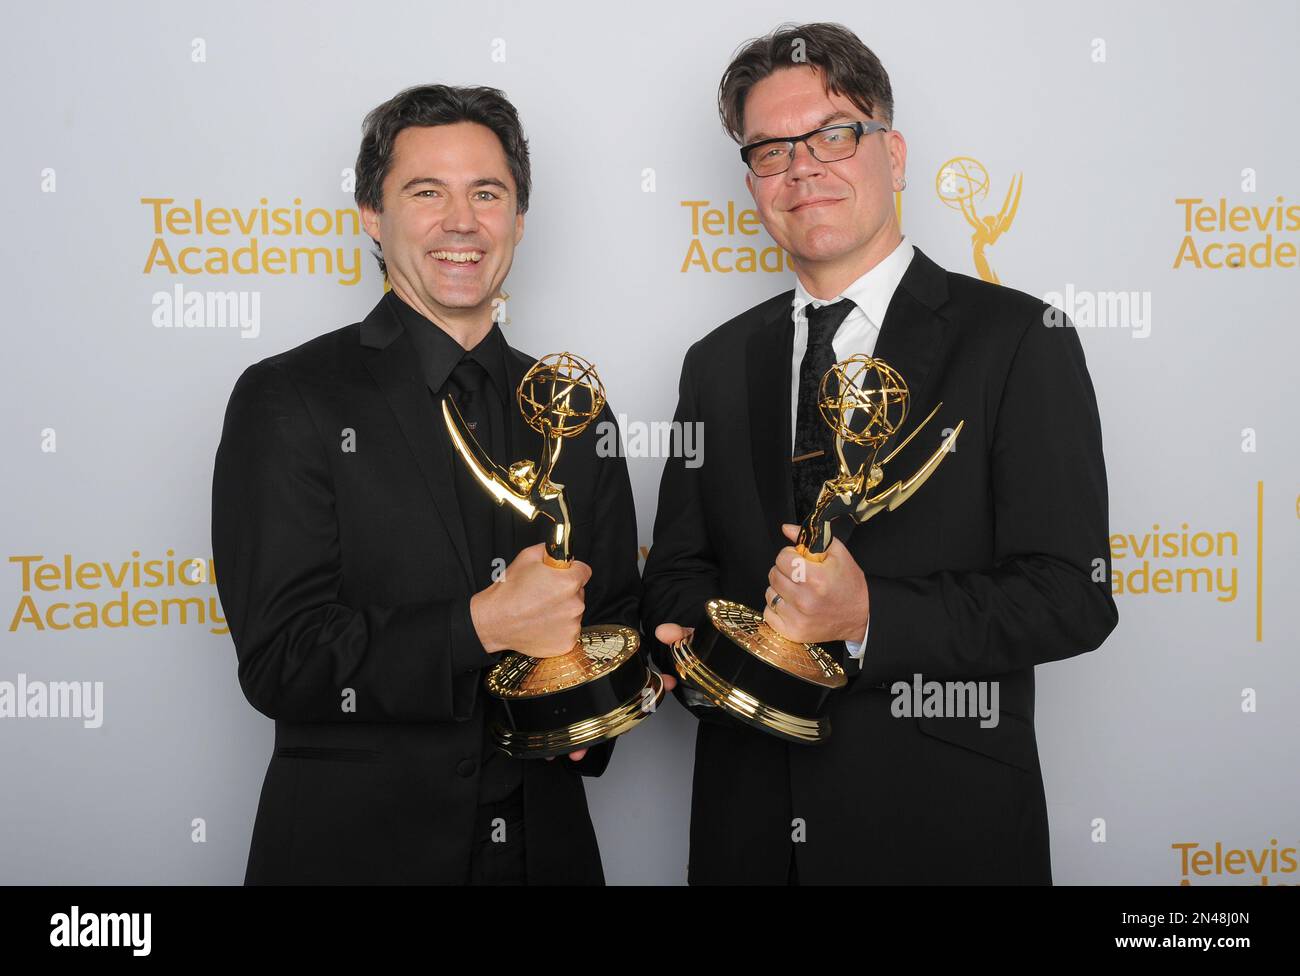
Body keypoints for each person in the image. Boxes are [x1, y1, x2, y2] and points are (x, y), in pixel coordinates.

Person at [642, 23, 1118, 884]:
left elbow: (1069, 598)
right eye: (770, 150)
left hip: (942, 828)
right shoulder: (715, 362)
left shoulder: (1016, 340)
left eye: (833, 134)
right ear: (751, 180)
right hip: (745, 824)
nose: (802, 168)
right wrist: (695, 638)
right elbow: (678, 568)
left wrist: (868, 618)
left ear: (892, 156)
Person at [212, 84, 657, 884]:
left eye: (487, 194)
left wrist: (595, 712)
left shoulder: (575, 409)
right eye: (427, 193)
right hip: (352, 858)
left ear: (519, 220)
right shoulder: (290, 398)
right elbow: (281, 658)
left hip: (542, 858)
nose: (462, 222)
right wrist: (481, 624)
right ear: (370, 217)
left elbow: (616, 612)